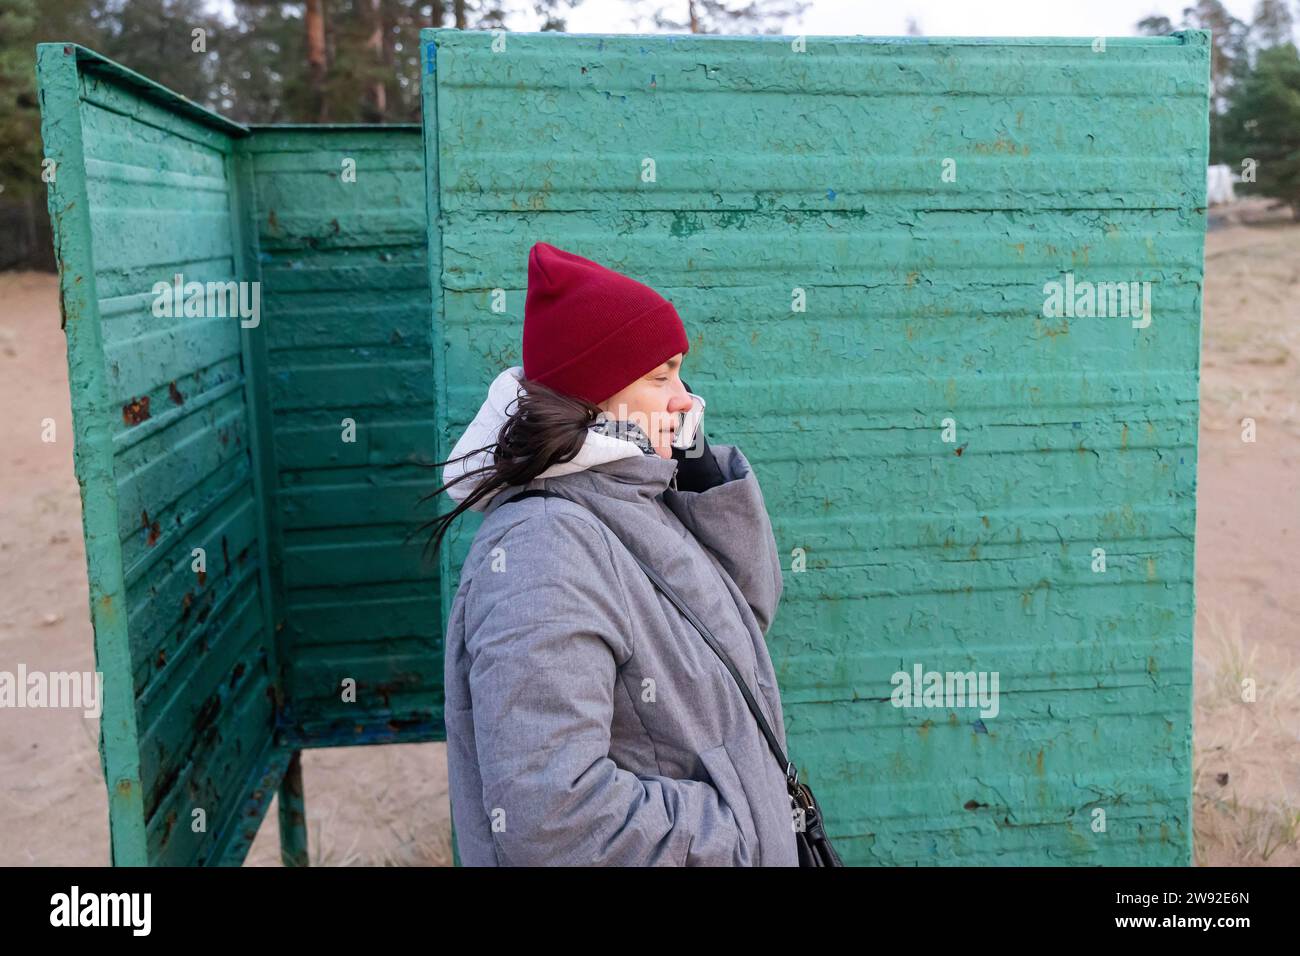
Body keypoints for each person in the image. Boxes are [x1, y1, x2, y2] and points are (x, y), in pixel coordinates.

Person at [423, 241, 798, 866]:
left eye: (680, 372)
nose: (685, 398)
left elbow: (741, 625)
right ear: (596, 395)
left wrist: (698, 472)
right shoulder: (543, 553)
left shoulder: (629, 500)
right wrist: (743, 831)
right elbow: (552, 819)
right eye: (660, 376)